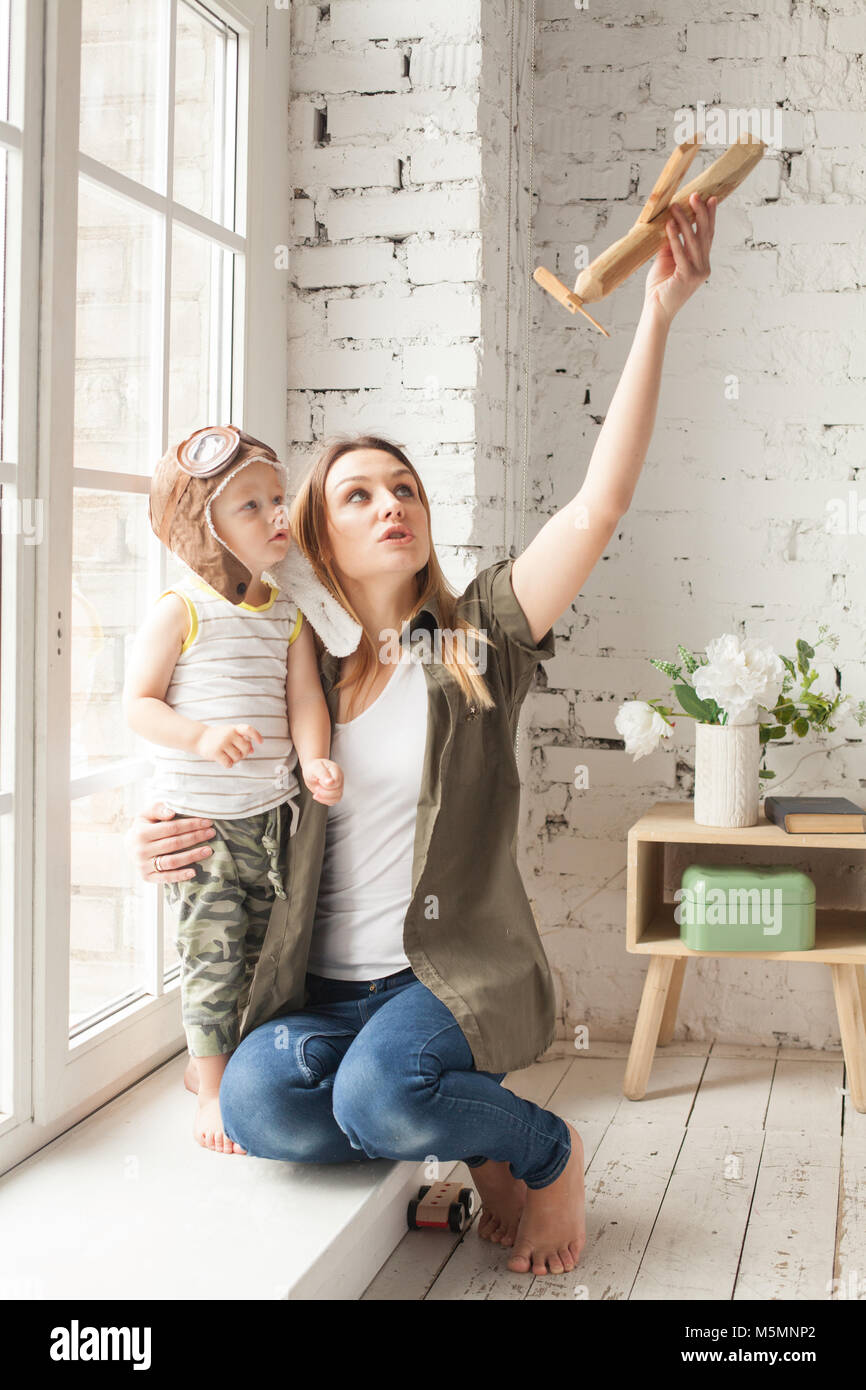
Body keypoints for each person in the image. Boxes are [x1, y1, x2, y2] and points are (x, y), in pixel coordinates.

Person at [127, 193, 716, 1277]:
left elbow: (595, 507)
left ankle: (537, 1150)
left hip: (432, 979)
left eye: (403, 487)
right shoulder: (283, 664)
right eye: (356, 494)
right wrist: (162, 833)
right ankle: (453, 1129)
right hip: (319, 990)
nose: (391, 502)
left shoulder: (476, 639)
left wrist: (660, 313)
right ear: (313, 533)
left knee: (380, 1093)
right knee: (260, 1107)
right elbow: (204, 774)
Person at [123, 425, 361, 1152]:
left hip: (272, 822)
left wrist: (315, 761)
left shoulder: (286, 616)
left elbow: (305, 705)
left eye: (278, 500)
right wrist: (198, 737)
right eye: (250, 507)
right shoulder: (182, 609)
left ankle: (236, 1066)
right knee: (212, 953)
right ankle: (213, 1085)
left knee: (262, 951)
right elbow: (138, 703)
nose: (277, 517)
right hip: (204, 824)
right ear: (205, 529)